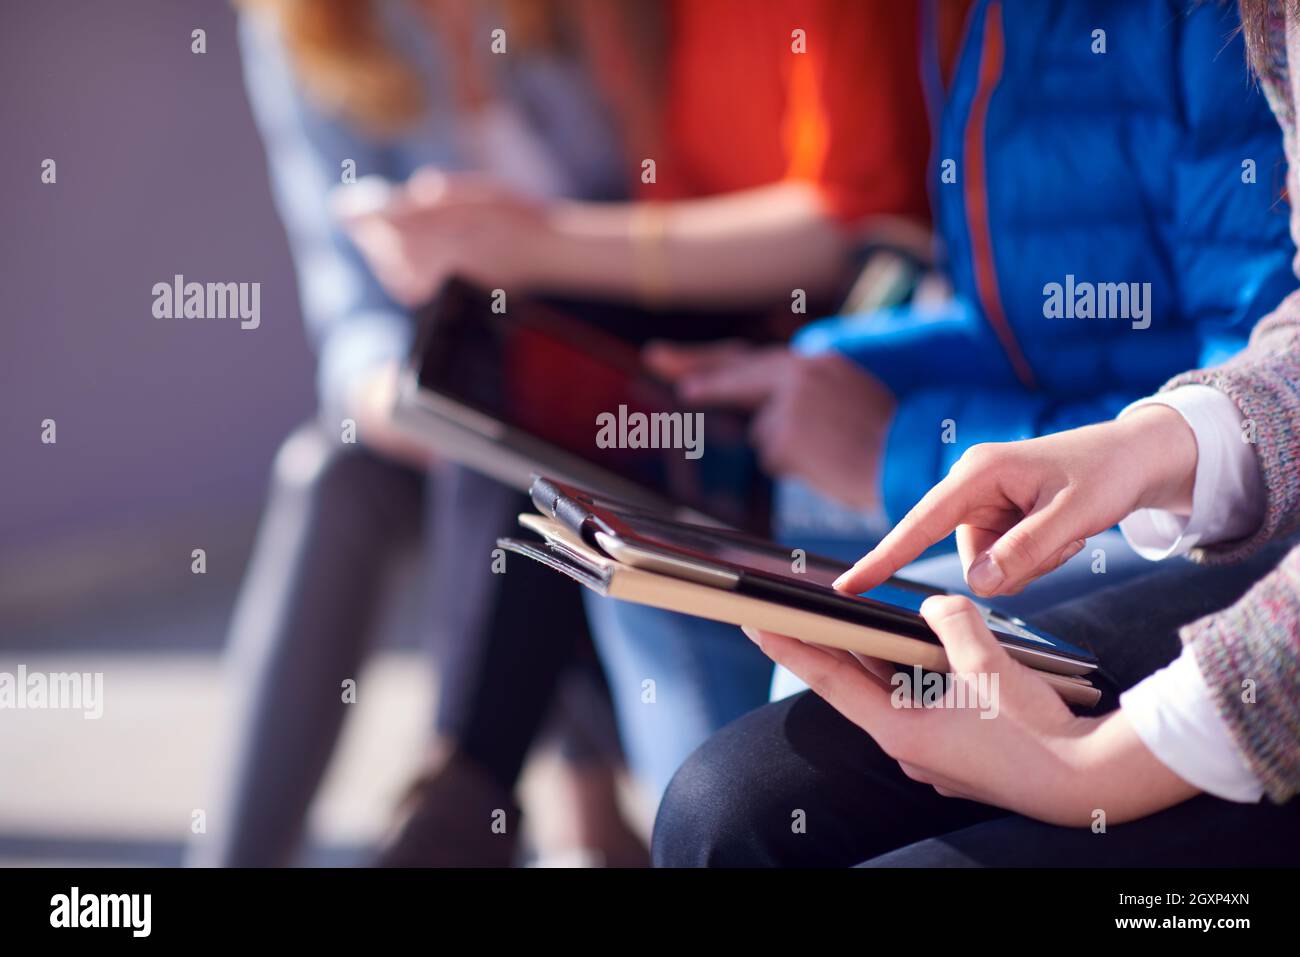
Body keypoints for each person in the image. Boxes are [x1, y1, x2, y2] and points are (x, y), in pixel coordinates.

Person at [579, 0, 1299, 803]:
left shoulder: (1206, 21)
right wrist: (818, 369)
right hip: (1113, 446)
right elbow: (1035, 322)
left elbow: (1256, 375)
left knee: (826, 703)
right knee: (652, 554)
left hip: (1222, 524)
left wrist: (896, 449)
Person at [335, 0, 952, 809]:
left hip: (830, 331)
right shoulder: (640, 21)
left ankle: (474, 792)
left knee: (537, 400)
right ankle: (484, 793)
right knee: (508, 414)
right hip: (722, 331)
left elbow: (855, 218)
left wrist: (540, 244)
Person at [195, 0, 644, 868]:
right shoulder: (308, 34)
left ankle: (482, 796)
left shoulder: (579, 19)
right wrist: (403, 396)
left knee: (519, 419)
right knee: (329, 473)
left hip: (617, 374)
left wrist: (536, 250)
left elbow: (676, 195)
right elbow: (347, 308)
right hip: (455, 405)